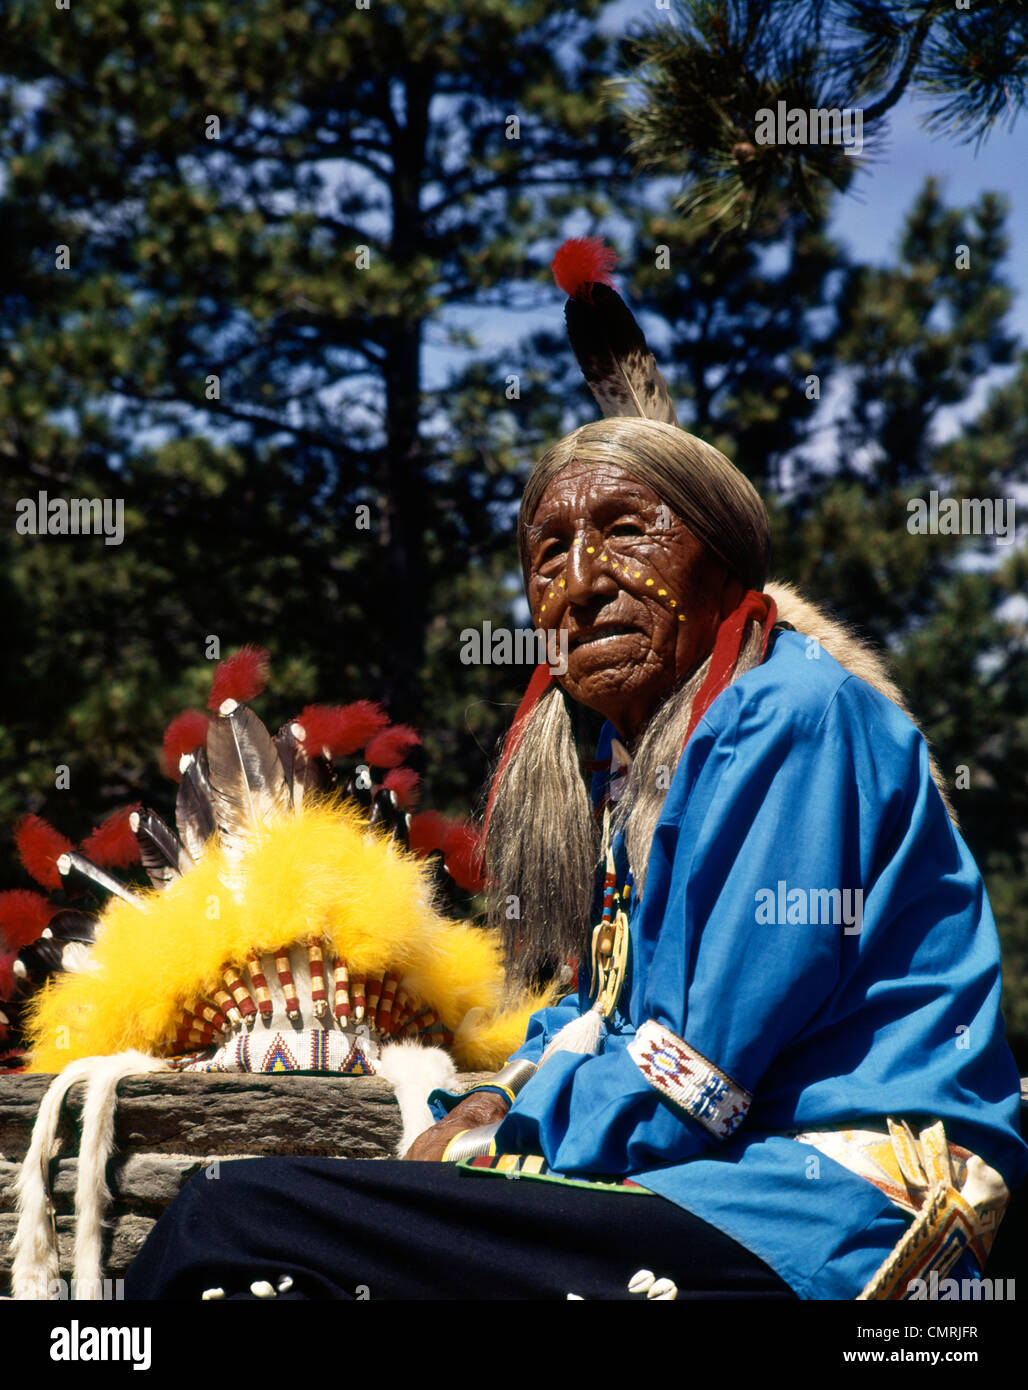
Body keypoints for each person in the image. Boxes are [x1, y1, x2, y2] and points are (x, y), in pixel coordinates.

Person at [124, 245, 1026, 1301]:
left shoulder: (791, 715)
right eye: (547, 554)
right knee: (256, 1228)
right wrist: (501, 1096)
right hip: (730, 1189)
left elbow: (699, 1074)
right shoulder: (635, 762)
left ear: (723, 564)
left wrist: (491, 1144)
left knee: (238, 1219)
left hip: (836, 1211)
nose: (582, 581)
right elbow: (601, 1009)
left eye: (625, 531)